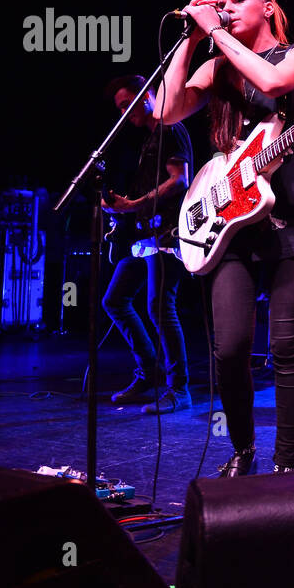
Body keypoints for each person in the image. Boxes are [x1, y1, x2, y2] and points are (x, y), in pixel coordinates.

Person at [155, 0, 294, 476]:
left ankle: (286, 463)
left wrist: (216, 32)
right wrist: (192, 40)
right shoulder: (217, 65)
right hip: (228, 217)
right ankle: (242, 449)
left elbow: (273, 83)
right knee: (231, 347)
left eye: (238, 1)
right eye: (221, 3)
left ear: (268, 5)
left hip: (290, 214)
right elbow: (167, 111)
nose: (227, 9)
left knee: (286, 346)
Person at [101, 75, 192, 414]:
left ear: (148, 95)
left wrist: (134, 203)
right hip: (145, 235)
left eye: (128, 104)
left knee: (159, 306)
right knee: (116, 299)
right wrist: (121, 207)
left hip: (169, 233)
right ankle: (149, 371)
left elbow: (180, 180)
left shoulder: (170, 128)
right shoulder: (148, 139)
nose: (125, 113)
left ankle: (179, 389)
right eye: (120, 108)